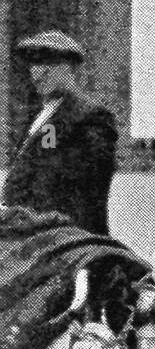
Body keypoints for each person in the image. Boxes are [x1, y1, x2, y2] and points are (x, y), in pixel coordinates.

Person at [2, 31, 117, 235]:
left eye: (49, 64)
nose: (38, 73)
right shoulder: (41, 116)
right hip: (31, 236)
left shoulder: (91, 116)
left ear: (70, 69)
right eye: (34, 64)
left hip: (65, 240)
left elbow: (84, 191)